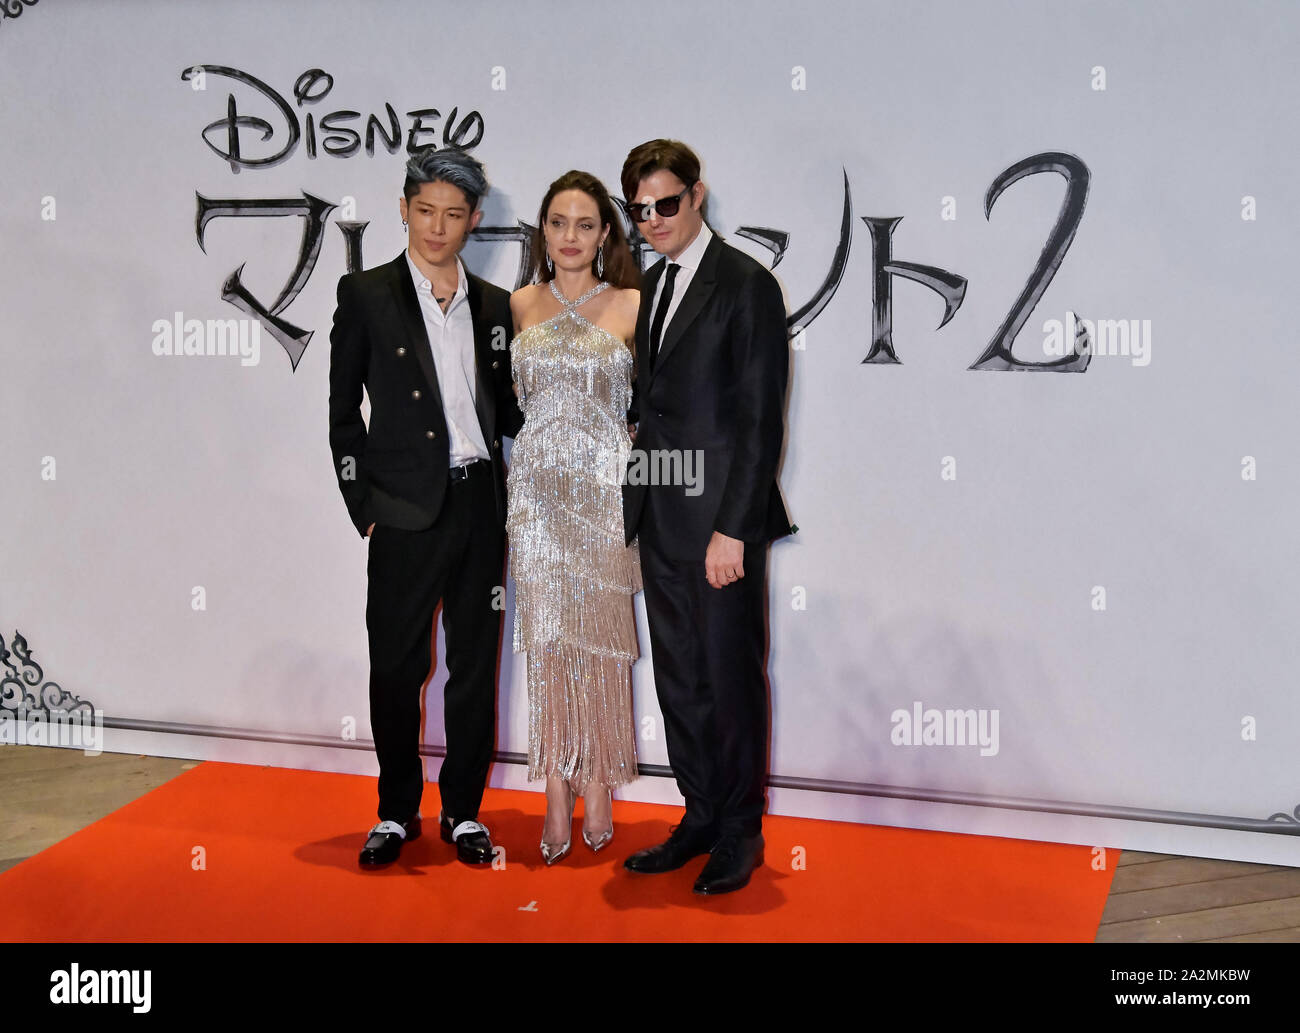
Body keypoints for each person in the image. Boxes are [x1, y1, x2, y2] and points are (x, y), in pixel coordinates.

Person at [328, 146, 523, 868]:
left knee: (475, 667)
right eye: (425, 210)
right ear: (404, 207)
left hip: (480, 505)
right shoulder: (366, 295)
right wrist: (363, 504)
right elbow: (342, 414)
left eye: (453, 214)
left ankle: (464, 812)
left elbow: (509, 411)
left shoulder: (498, 307)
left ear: (474, 220)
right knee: (396, 668)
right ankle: (395, 811)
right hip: (403, 512)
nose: (437, 227)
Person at [619, 139, 792, 895]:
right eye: (640, 210)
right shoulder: (653, 285)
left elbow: (760, 420)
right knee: (682, 678)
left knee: (730, 678)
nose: (653, 220)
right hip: (658, 513)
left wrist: (735, 527)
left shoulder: (745, 284)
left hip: (720, 525)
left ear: (697, 196)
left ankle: (740, 831)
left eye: (665, 203)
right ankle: (698, 812)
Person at [506, 170, 642, 865]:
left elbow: (653, 406)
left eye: (585, 223)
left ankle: (599, 781)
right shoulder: (519, 303)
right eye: (557, 222)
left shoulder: (632, 303)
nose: (569, 236)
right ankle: (555, 788)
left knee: (601, 643)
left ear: (606, 233)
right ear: (543, 230)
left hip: (604, 498)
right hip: (535, 499)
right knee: (550, 642)